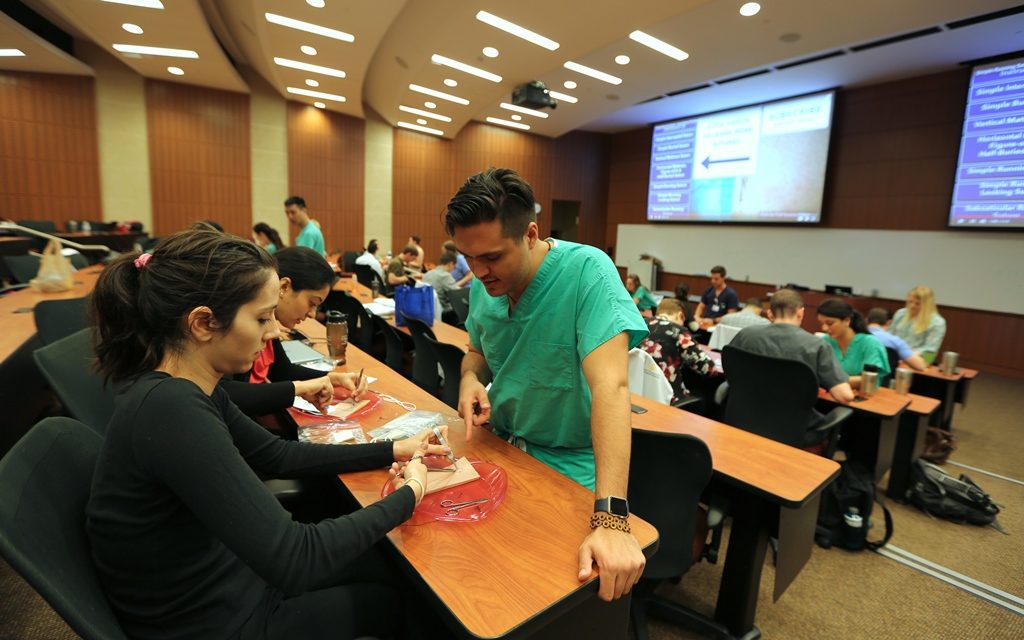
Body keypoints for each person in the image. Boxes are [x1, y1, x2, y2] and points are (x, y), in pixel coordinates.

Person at [86, 227, 450, 639]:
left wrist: (395, 448)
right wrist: (410, 494)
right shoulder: (172, 409)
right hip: (216, 622)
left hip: (229, 581)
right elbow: (298, 559)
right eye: (262, 318)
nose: (274, 332)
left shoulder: (190, 387)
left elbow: (279, 455)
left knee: (387, 566)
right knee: (399, 599)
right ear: (203, 323)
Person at [447, 167, 647, 603]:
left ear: (531, 234)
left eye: (492, 257)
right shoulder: (486, 283)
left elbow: (612, 388)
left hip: (568, 466)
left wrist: (612, 519)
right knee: (466, 577)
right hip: (501, 450)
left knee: (541, 591)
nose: (478, 272)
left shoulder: (587, 272)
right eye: (468, 258)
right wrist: (469, 378)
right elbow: (478, 350)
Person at [220, 246, 367, 417]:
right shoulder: (237, 328)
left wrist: (332, 378)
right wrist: (298, 389)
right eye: (312, 303)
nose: (312, 314)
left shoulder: (269, 327)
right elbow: (224, 393)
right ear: (284, 287)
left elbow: (282, 371)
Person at [730, 289, 855, 409]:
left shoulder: (745, 335)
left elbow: (728, 368)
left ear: (770, 314)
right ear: (801, 313)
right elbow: (844, 396)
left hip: (740, 414)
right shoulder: (817, 346)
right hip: (794, 421)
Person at [640, 298, 716, 404]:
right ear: (680, 315)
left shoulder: (640, 325)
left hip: (637, 390)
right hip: (667, 396)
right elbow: (707, 368)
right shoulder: (677, 331)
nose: (682, 324)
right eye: (683, 321)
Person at [817, 298, 891, 387]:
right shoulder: (825, 341)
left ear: (846, 321)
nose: (824, 328)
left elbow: (870, 379)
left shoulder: (870, 343)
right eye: (821, 323)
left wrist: (833, 381)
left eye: (830, 323)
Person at [890, 285, 947, 363]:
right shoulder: (900, 313)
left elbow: (930, 351)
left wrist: (907, 356)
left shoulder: (938, 322)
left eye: (918, 304)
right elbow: (889, 336)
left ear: (927, 305)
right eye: (910, 302)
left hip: (919, 361)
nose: (912, 306)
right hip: (894, 357)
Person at [866, 307, 927, 371]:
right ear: (889, 322)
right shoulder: (894, 341)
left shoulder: (859, 335)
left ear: (866, 320)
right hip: (885, 377)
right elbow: (921, 366)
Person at [422, 251, 462, 323]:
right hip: (441, 312)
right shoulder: (445, 275)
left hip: (427, 310)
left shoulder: (427, 274)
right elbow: (458, 294)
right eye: (454, 266)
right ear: (450, 264)